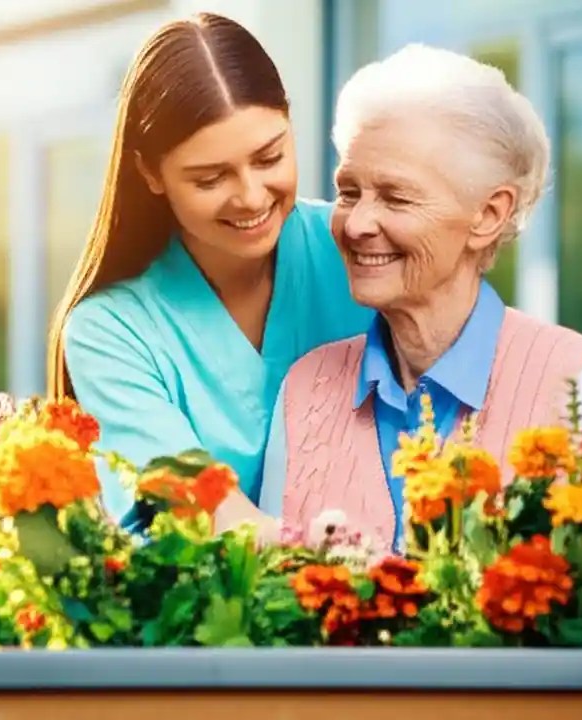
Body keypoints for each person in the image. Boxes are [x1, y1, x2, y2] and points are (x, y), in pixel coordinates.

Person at [259, 44, 582, 553]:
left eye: (396, 197)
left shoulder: (577, 383)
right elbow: (268, 594)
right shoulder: (305, 391)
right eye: (349, 192)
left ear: (488, 215)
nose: (356, 224)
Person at [47, 13, 371, 540]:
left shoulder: (358, 246)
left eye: (269, 157)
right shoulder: (109, 330)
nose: (251, 197)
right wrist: (331, 554)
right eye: (211, 178)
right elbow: (205, 512)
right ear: (150, 174)